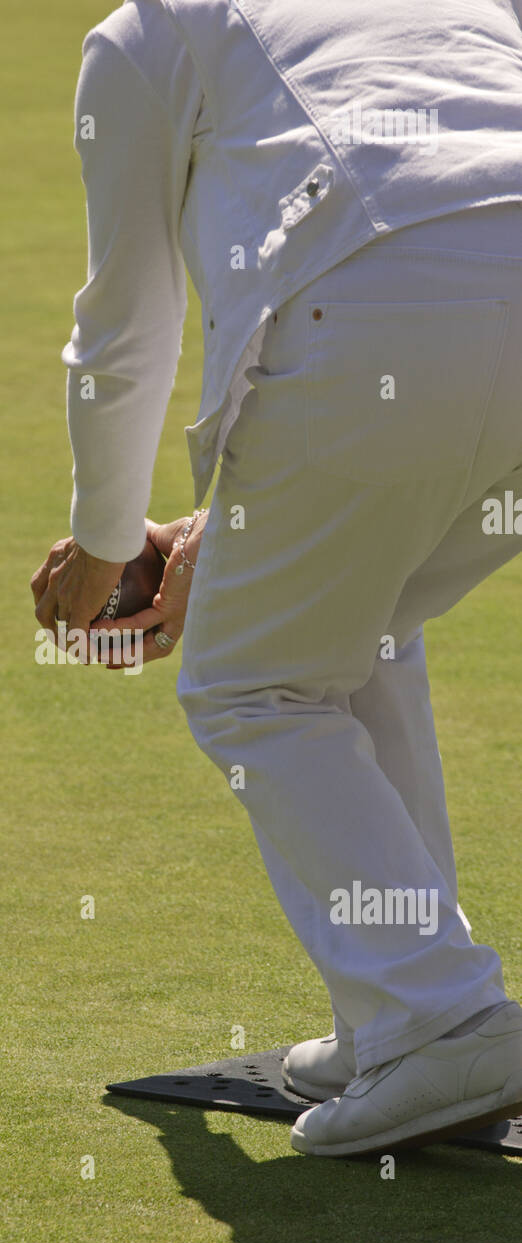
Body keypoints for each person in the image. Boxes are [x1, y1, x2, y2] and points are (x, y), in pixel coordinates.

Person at [30, 0, 522, 1157]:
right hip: (436, 307)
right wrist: (224, 532)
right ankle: (393, 1005)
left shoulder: (140, 37)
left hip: (376, 308)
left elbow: (126, 330)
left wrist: (101, 553)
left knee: (252, 684)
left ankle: (435, 1014)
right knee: (353, 624)